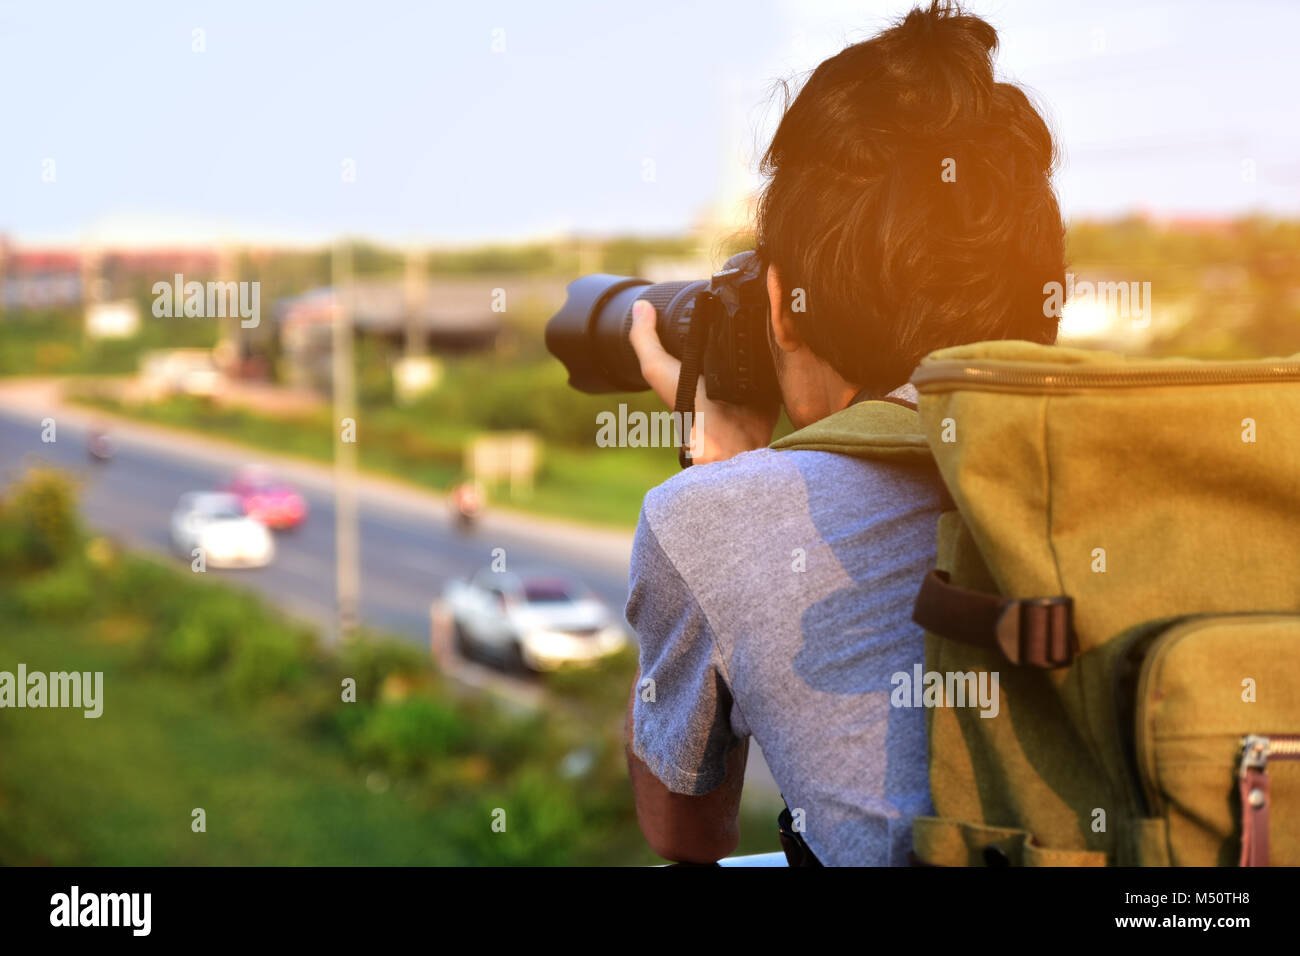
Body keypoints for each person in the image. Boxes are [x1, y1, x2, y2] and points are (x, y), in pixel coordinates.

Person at [623, 1, 1065, 865]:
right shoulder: (1151, 460)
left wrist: (726, 478)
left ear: (785, 306)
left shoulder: (712, 520)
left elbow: (687, 834)